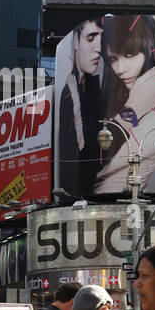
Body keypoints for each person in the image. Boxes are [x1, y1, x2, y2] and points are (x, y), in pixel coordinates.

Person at [93, 13, 155, 195]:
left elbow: (93, 169)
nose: (120, 69)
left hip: (119, 210)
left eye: (129, 54)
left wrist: (133, 107)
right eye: (113, 59)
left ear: (153, 52)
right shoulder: (125, 98)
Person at [58, 17, 104, 198]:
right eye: (91, 38)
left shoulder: (89, 86)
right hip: (79, 197)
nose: (98, 49)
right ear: (76, 41)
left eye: (101, 41)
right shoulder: (69, 95)